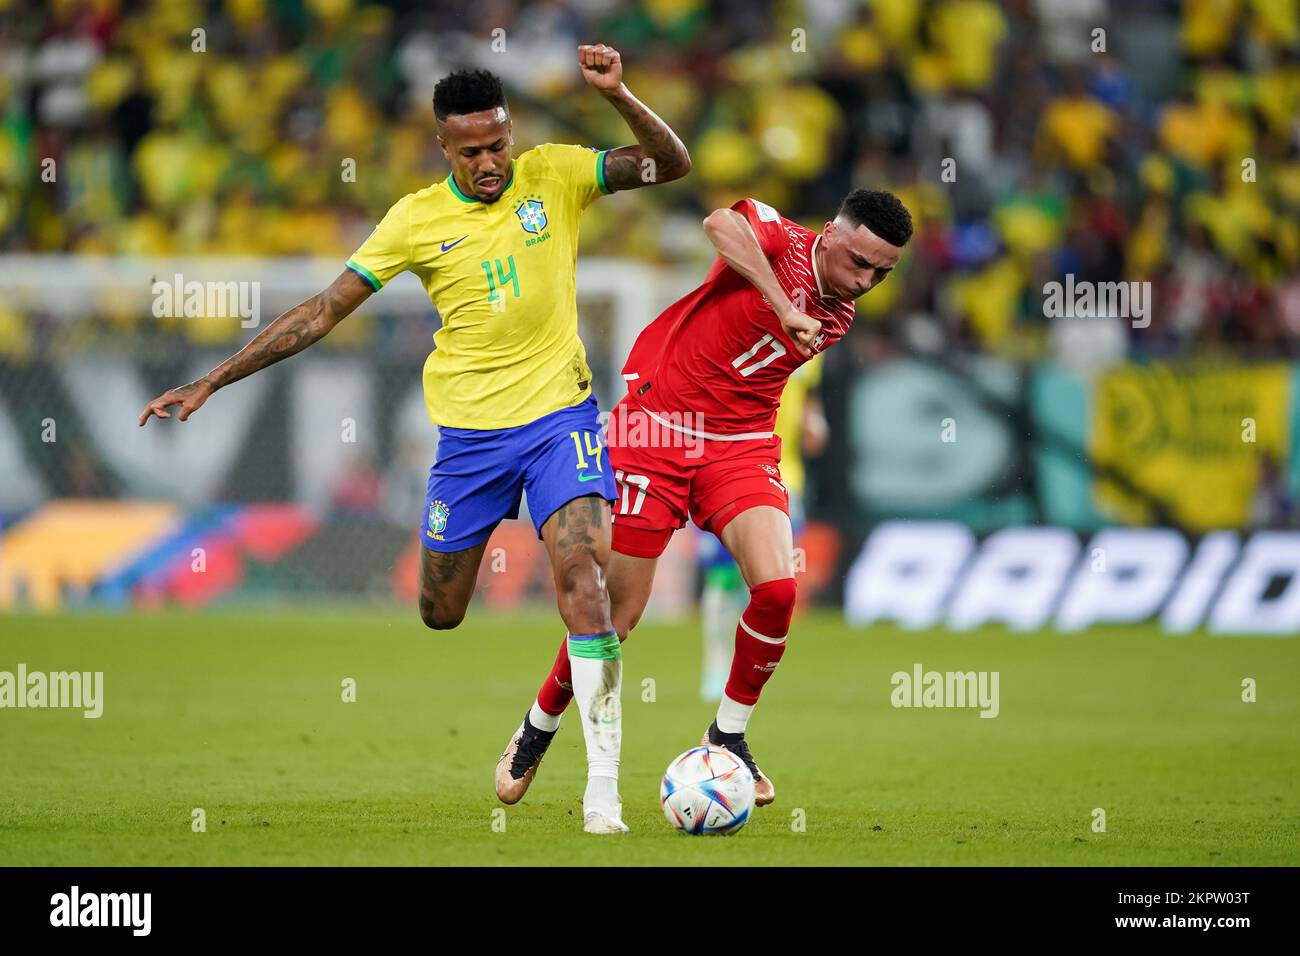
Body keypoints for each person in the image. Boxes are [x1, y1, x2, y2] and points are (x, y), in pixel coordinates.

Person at [138, 46, 691, 835]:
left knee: (583, 579)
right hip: (469, 442)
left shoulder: (556, 172)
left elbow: (671, 165)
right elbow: (323, 311)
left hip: (561, 421)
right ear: (443, 147)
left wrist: (622, 95)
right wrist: (213, 379)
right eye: (472, 151)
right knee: (440, 610)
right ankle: (536, 726)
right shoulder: (414, 220)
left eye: (499, 143)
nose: (492, 161)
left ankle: (601, 790)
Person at [498, 189, 911, 813]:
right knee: (616, 616)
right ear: (829, 232)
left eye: (882, 272)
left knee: (777, 590)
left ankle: (729, 736)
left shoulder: (839, 316)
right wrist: (781, 300)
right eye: (859, 260)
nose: (865, 280)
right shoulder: (781, 239)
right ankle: (539, 725)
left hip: (738, 449)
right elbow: (719, 223)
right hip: (655, 432)